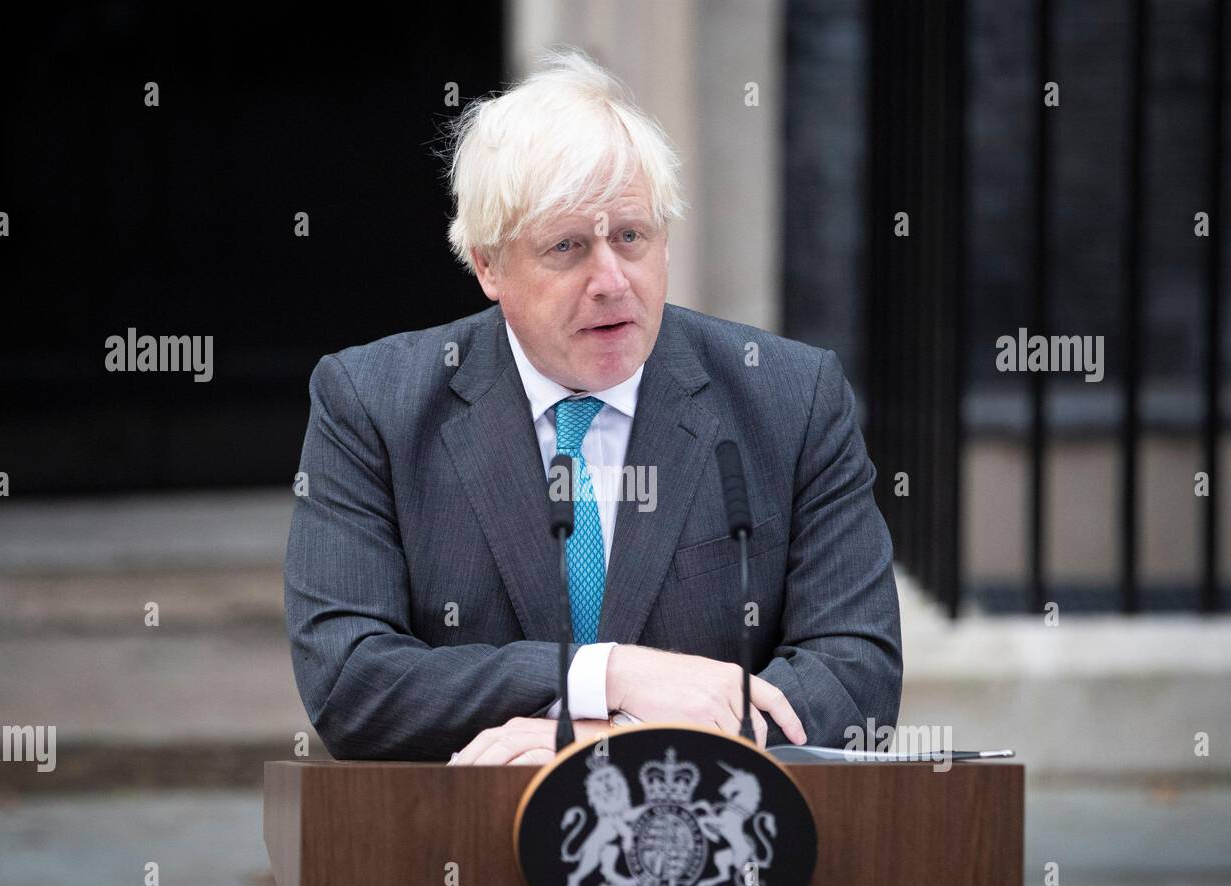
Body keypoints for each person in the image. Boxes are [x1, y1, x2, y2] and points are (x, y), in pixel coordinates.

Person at [284, 46, 901, 776]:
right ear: (487, 264)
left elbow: (855, 673)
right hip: (466, 849)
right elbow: (352, 680)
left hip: (723, 846)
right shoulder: (372, 405)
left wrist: (614, 734)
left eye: (631, 237)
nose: (611, 280)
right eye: (567, 247)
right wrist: (604, 674)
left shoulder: (791, 398)